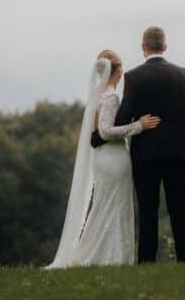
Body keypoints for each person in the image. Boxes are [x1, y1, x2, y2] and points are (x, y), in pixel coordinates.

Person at [47, 49, 160, 268]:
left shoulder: (96, 96)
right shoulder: (111, 97)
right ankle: (113, 257)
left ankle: (91, 254)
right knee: (115, 206)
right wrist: (139, 126)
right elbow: (106, 131)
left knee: (102, 206)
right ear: (117, 70)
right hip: (114, 159)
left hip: (101, 159)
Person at [115, 26, 185, 263]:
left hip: (145, 155)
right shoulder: (184, 75)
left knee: (148, 212)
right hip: (178, 154)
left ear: (143, 47)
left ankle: (146, 263)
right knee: (179, 210)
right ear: (165, 46)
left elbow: (123, 119)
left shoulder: (134, 77)